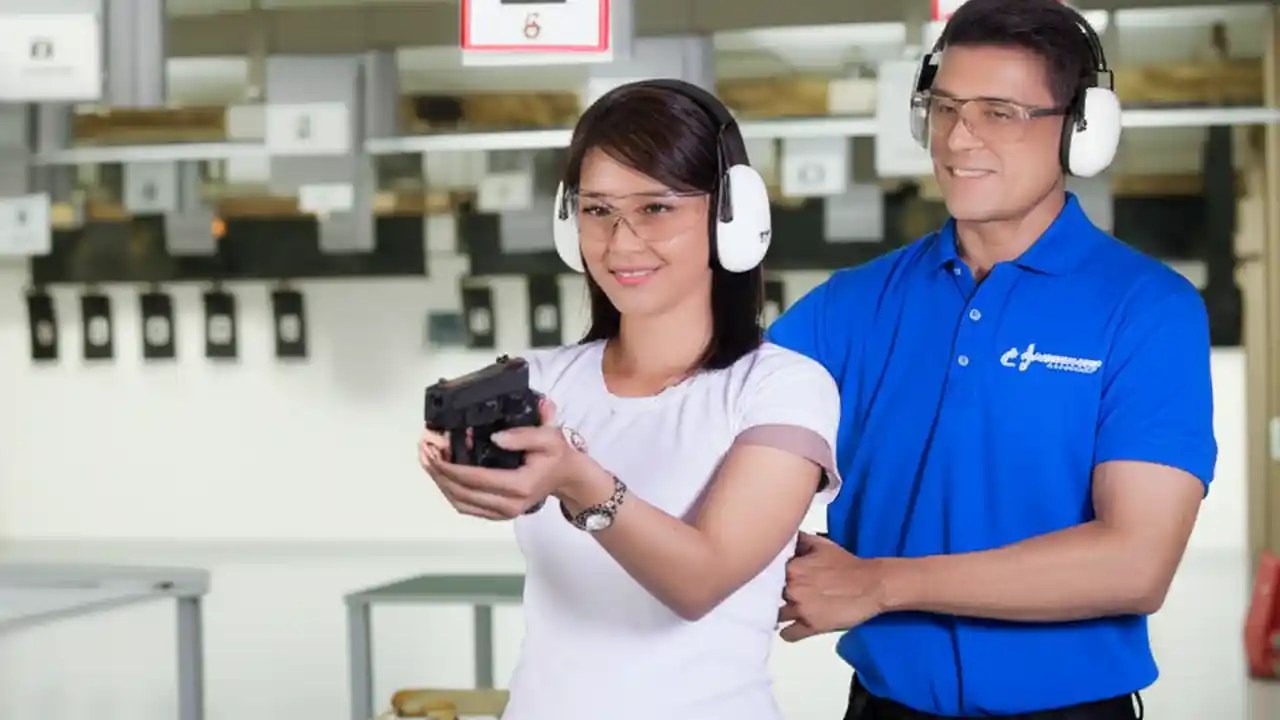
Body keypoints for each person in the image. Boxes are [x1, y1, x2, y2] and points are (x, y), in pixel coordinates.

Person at [767, 0, 1217, 718]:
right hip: (884, 707)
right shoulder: (849, 305)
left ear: (1080, 129)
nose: (957, 138)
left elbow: (1135, 563)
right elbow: (715, 420)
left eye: (1000, 113)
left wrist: (881, 583)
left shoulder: (1148, 309)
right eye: (945, 108)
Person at [417, 79, 842, 720]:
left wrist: (578, 480)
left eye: (656, 208)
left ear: (731, 215)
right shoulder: (543, 381)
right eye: (597, 210)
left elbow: (700, 581)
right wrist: (463, 467)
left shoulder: (782, 388)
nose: (620, 243)